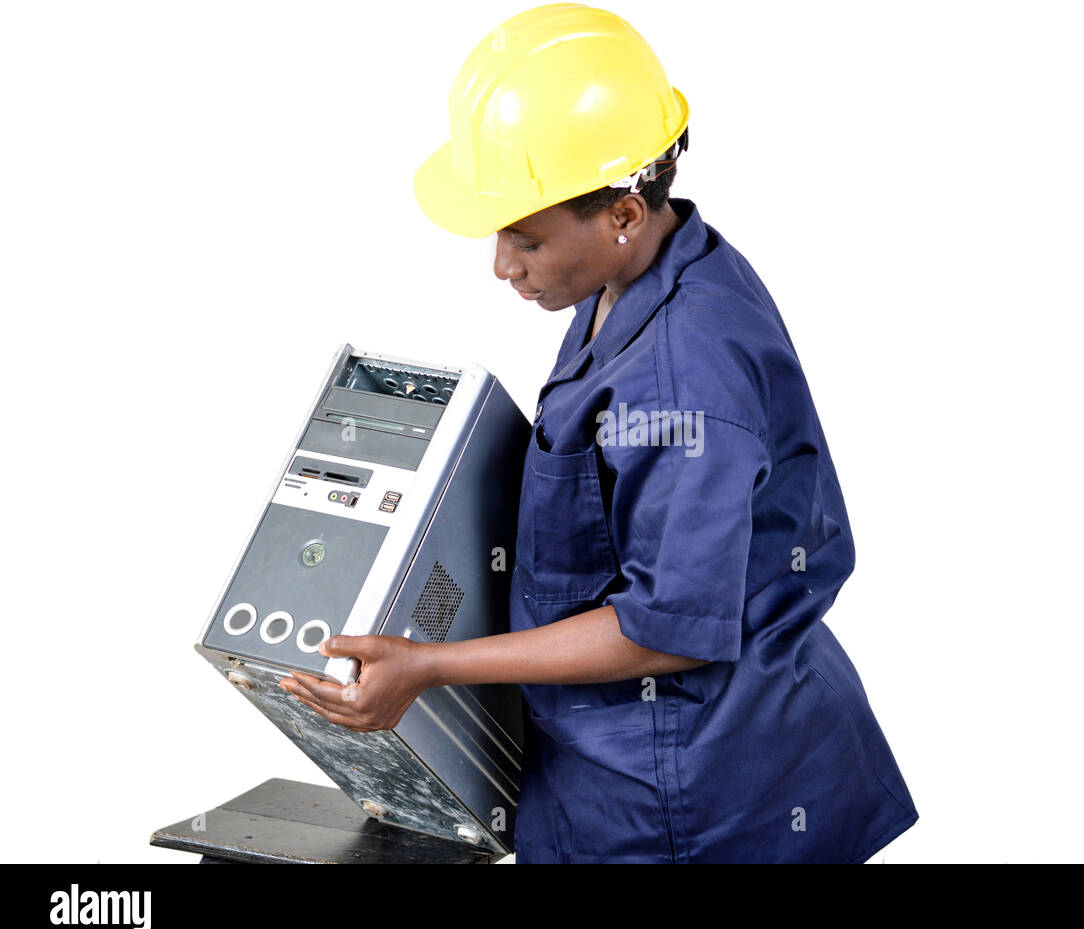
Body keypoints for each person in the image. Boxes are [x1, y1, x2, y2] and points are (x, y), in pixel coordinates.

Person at [281, 2, 919, 863]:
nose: (503, 265)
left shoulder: (684, 373)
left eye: (526, 237)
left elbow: (665, 626)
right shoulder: (650, 272)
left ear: (621, 212)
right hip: (624, 764)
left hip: (693, 799)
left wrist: (430, 668)